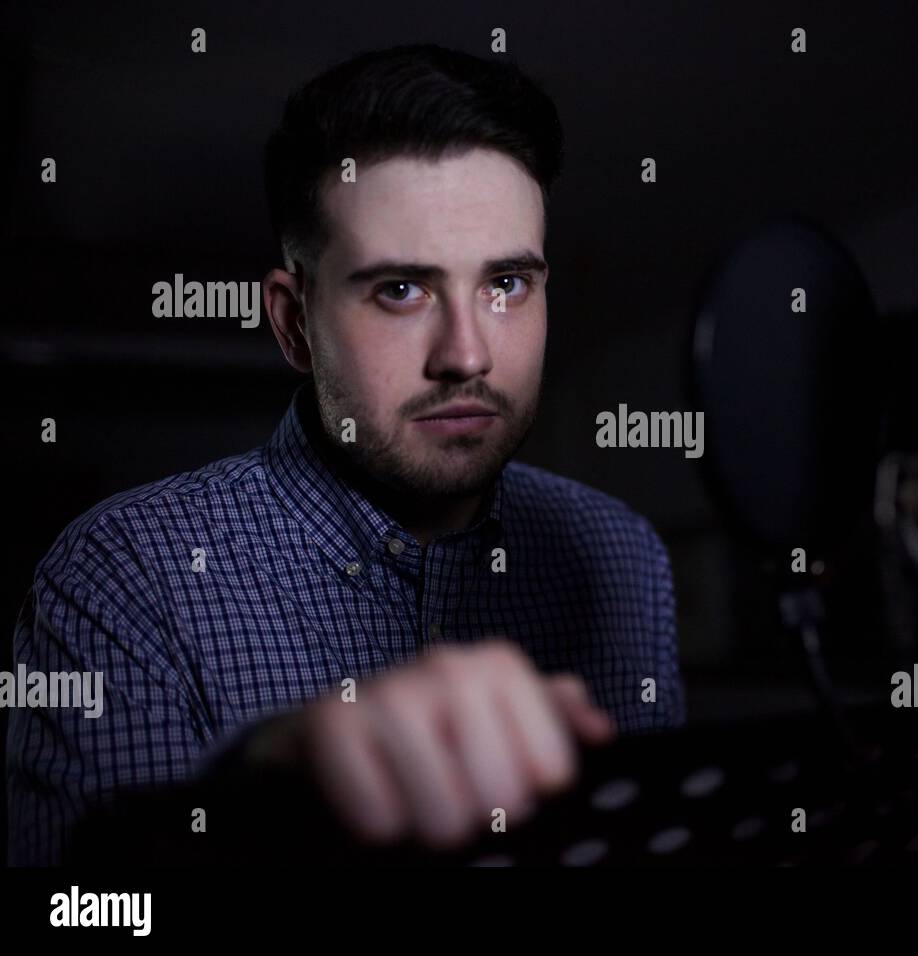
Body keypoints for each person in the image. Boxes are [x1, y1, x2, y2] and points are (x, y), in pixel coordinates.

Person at [7, 43, 685, 866]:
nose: (467, 355)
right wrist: (259, 808)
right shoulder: (124, 576)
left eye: (505, 284)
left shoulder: (623, 556)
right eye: (401, 290)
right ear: (293, 322)